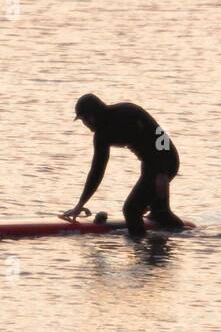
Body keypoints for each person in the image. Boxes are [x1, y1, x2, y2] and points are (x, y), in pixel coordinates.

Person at [61, 93, 184, 237]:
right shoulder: (101, 136)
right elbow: (97, 170)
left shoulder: (127, 112)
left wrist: (161, 172)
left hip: (166, 159)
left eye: (83, 120)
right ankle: (163, 246)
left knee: (131, 210)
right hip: (150, 165)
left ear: (91, 117)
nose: (85, 125)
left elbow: (159, 136)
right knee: (159, 214)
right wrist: (80, 204)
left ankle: (138, 246)